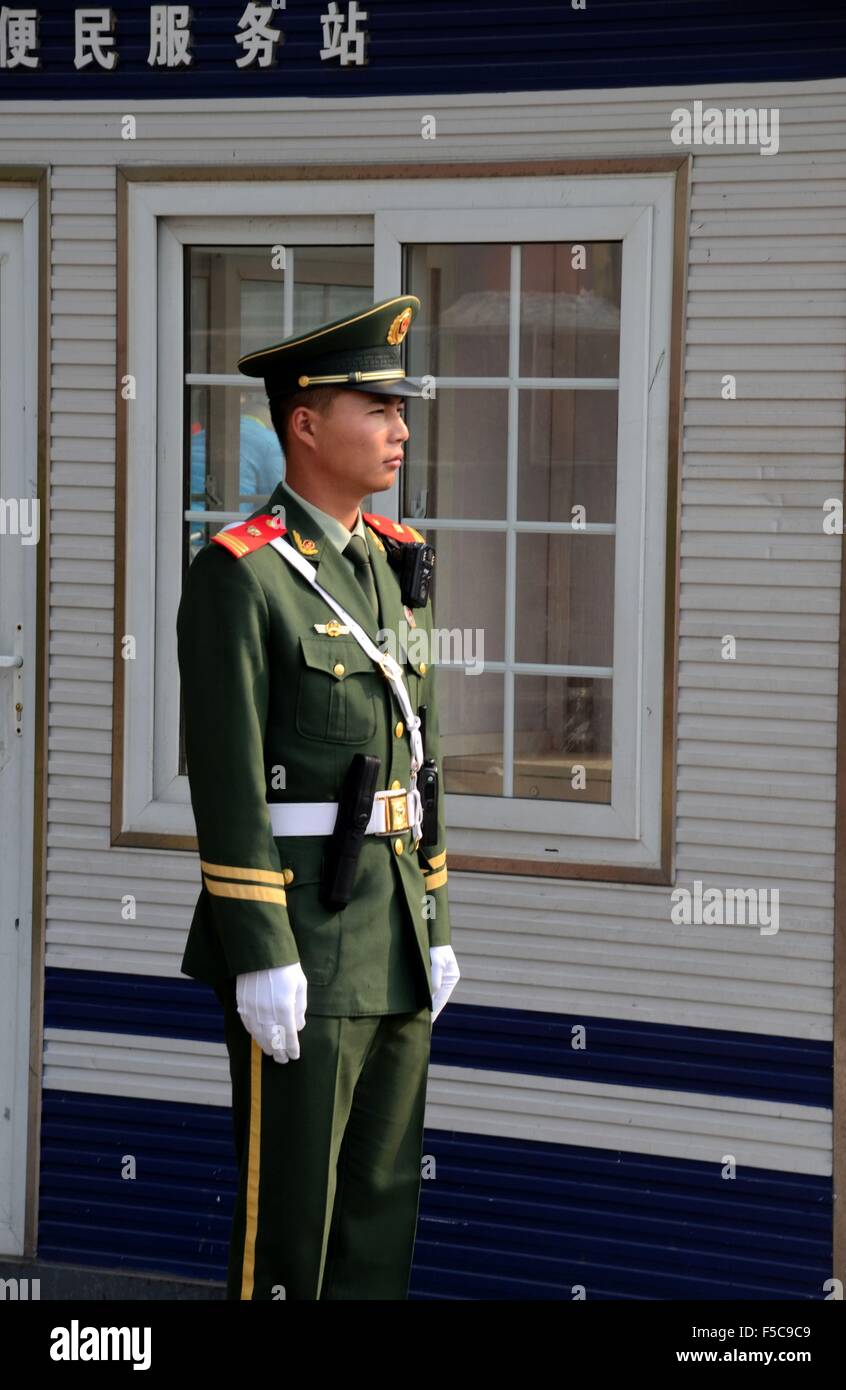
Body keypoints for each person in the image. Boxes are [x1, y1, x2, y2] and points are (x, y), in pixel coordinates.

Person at [176, 293, 460, 1300]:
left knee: (379, 1218)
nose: (400, 428)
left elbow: (416, 759)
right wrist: (261, 952)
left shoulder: (389, 560)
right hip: (301, 931)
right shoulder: (241, 578)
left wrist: (435, 915)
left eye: (401, 409)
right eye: (376, 407)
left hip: (391, 933)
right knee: (290, 1220)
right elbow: (228, 776)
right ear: (306, 422)